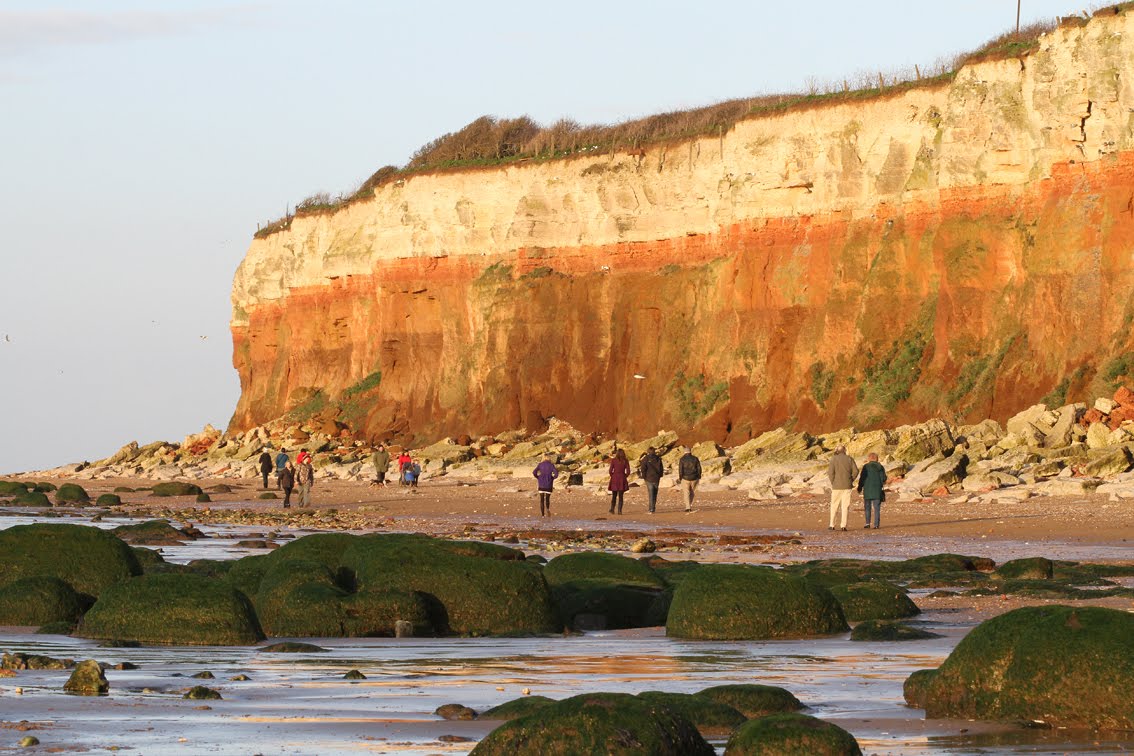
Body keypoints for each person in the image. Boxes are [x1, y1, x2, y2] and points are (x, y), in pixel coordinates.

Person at [827, 445, 859, 531]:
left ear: (837, 451)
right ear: (844, 450)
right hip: (847, 485)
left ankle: (832, 524)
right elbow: (856, 471)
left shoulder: (834, 459)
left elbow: (830, 472)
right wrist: (851, 479)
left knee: (834, 505)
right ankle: (843, 525)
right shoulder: (849, 459)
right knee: (845, 506)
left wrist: (833, 482)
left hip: (836, 486)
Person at [857, 452, 888, 529]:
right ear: (877, 459)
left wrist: (859, 487)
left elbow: (862, 478)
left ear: (869, 458)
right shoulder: (880, 467)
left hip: (867, 490)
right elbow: (883, 478)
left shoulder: (866, 467)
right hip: (877, 490)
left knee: (867, 507)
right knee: (877, 508)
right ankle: (876, 525)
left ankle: (867, 523)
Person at [638, 446, 664, 514]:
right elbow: (661, 468)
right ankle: (653, 508)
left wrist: (644, 477)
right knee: (655, 493)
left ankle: (651, 509)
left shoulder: (646, 458)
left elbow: (643, 468)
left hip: (649, 478)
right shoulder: (658, 458)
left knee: (651, 494)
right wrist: (660, 475)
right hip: (656, 478)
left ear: (648, 452)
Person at [677, 446, 702, 512]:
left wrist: (680, 477)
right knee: (692, 492)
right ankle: (689, 505)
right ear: (690, 451)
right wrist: (699, 476)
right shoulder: (695, 458)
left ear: (684, 452)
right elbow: (699, 468)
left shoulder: (682, 459)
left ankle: (688, 507)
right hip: (694, 478)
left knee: (686, 492)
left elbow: (680, 470)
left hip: (685, 478)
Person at [607, 448, 631, 515]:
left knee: (614, 495)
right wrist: (625, 476)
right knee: (621, 496)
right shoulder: (625, 461)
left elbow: (610, 470)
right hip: (622, 478)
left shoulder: (614, 460)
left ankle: (612, 509)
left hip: (615, 478)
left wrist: (613, 475)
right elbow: (628, 471)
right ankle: (619, 511)